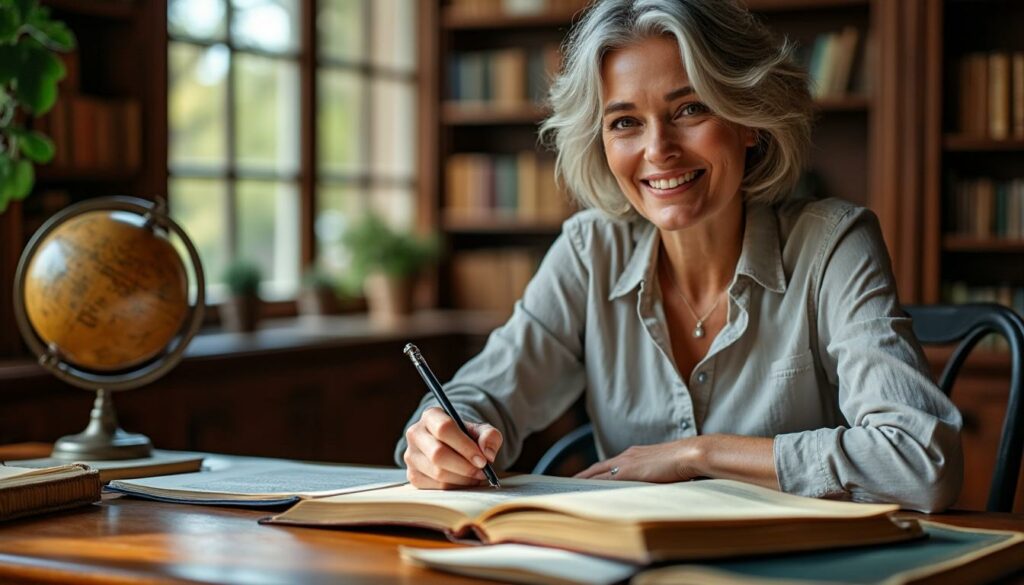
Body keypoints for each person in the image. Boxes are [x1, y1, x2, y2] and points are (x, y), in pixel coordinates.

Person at [395, 0, 962, 512]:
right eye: (624, 122)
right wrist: (443, 436)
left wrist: (697, 455)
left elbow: (919, 463)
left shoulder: (833, 243)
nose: (658, 150)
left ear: (748, 120)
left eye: (690, 109)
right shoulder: (589, 250)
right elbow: (485, 394)